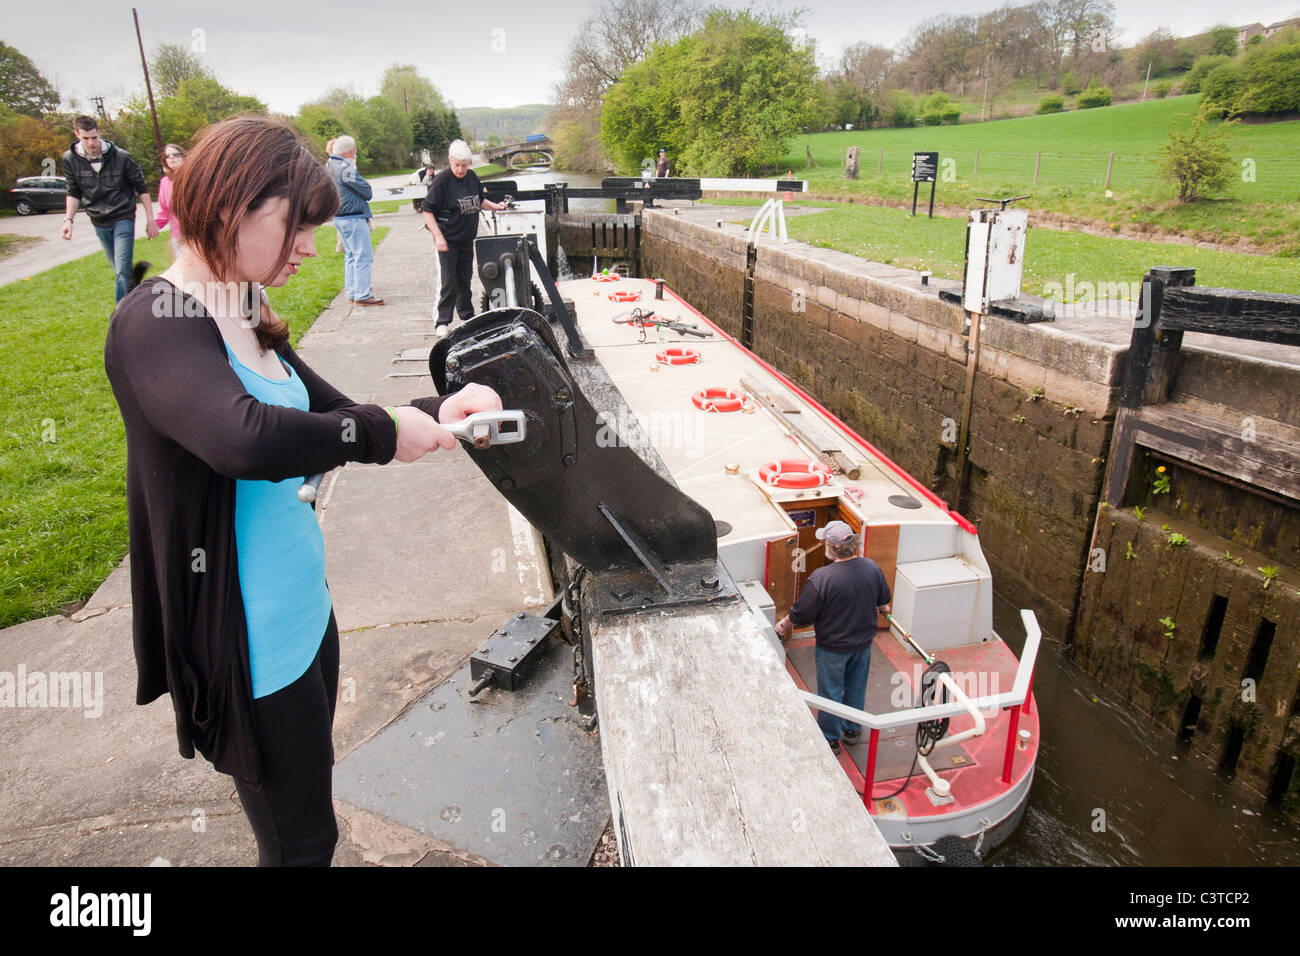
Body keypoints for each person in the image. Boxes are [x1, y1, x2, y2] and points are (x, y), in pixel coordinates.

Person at [103, 116, 503, 866]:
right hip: (242, 644)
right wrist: (383, 435)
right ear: (232, 208)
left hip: (302, 616)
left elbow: (327, 410)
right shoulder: (153, 320)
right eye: (297, 228)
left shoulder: (243, 302)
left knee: (309, 819)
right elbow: (245, 439)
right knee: (301, 843)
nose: (311, 248)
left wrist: (430, 411)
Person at [775, 520, 891, 755]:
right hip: (863, 643)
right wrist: (883, 610)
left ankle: (830, 738)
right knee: (856, 686)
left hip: (833, 647)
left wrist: (783, 625)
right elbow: (883, 602)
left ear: (831, 548)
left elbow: (803, 612)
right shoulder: (871, 568)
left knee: (831, 692)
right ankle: (852, 729)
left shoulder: (822, 578)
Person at [61, 115, 160, 302]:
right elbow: (73, 191)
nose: (91, 143)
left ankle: (121, 311)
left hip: (123, 216)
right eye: (85, 138)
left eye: (93, 137)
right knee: (119, 271)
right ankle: (134, 296)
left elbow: (142, 188)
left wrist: (150, 219)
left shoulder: (121, 156)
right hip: (98, 220)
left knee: (122, 270)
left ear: (99, 133)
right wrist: (68, 220)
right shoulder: (70, 159)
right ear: (77, 135)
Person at [420, 139, 510, 337]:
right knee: (448, 281)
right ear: (450, 161)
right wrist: (438, 237)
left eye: (464, 165)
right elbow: (427, 210)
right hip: (447, 239)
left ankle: (467, 316)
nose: (460, 169)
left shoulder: (471, 177)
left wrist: (496, 206)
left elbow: (479, 201)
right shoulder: (442, 181)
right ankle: (442, 321)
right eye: (456, 165)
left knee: (465, 279)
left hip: (466, 239)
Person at [326, 135, 383, 305]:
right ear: (350, 151)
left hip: (338, 217)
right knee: (363, 256)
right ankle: (362, 294)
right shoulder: (345, 168)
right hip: (353, 217)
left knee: (350, 256)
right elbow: (366, 190)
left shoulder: (329, 166)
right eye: (355, 151)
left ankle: (352, 291)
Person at [155, 143, 186, 253]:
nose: (171, 158)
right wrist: (154, 226)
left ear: (184, 157)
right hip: (178, 236)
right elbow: (164, 210)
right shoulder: (165, 182)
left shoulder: (194, 178)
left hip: (197, 234)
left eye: (175, 155)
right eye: (168, 156)